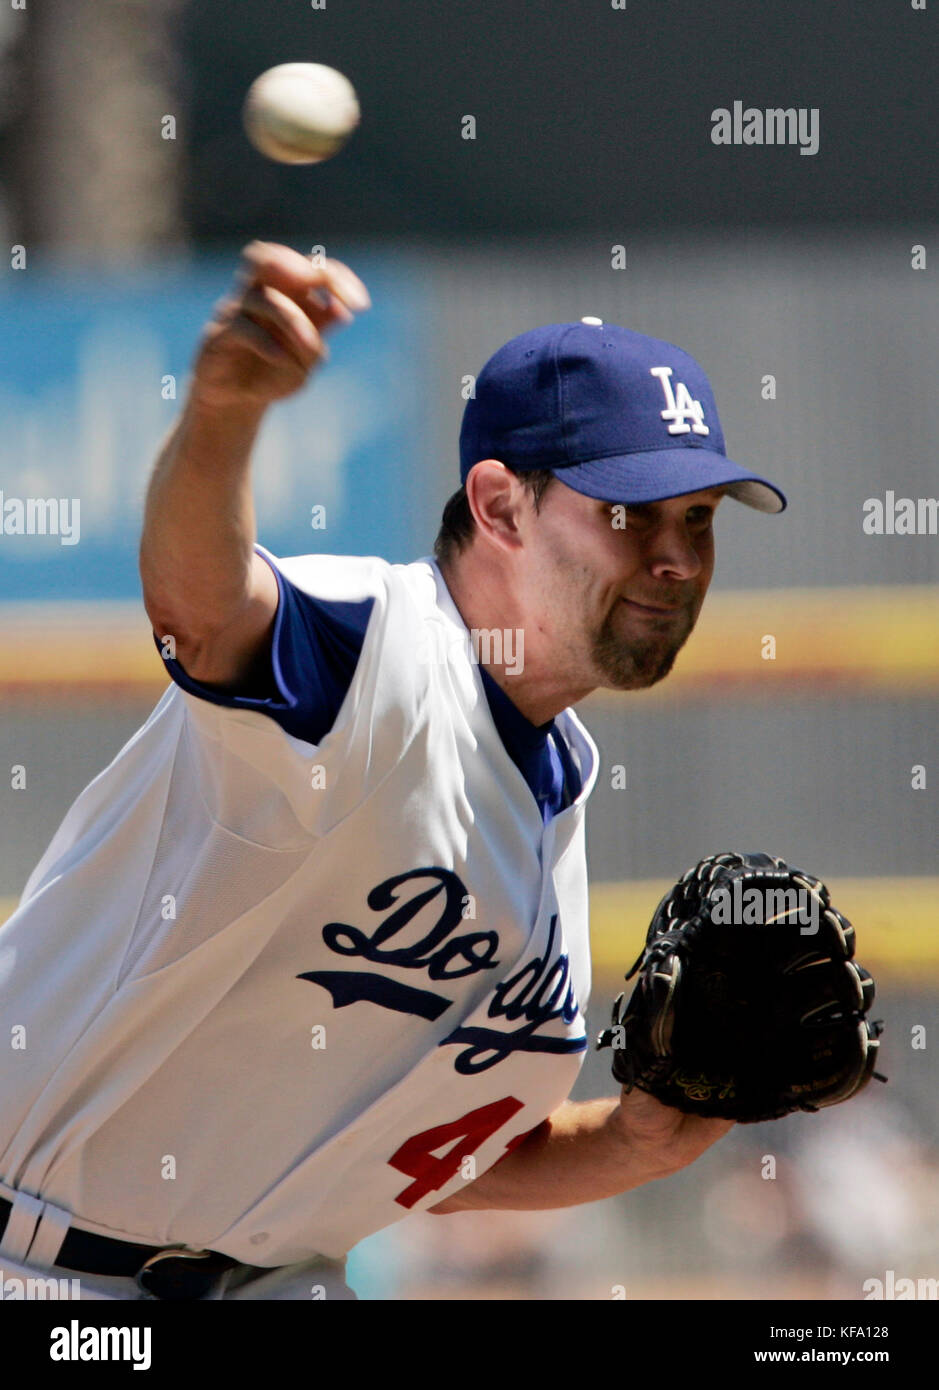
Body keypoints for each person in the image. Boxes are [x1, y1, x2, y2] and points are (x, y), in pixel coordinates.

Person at [0, 242, 786, 1301]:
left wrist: (637, 1142)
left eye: (696, 518)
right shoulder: (380, 653)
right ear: (500, 506)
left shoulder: (552, 781)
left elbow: (391, 1154)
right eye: (625, 513)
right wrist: (226, 412)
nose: (677, 558)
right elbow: (204, 606)